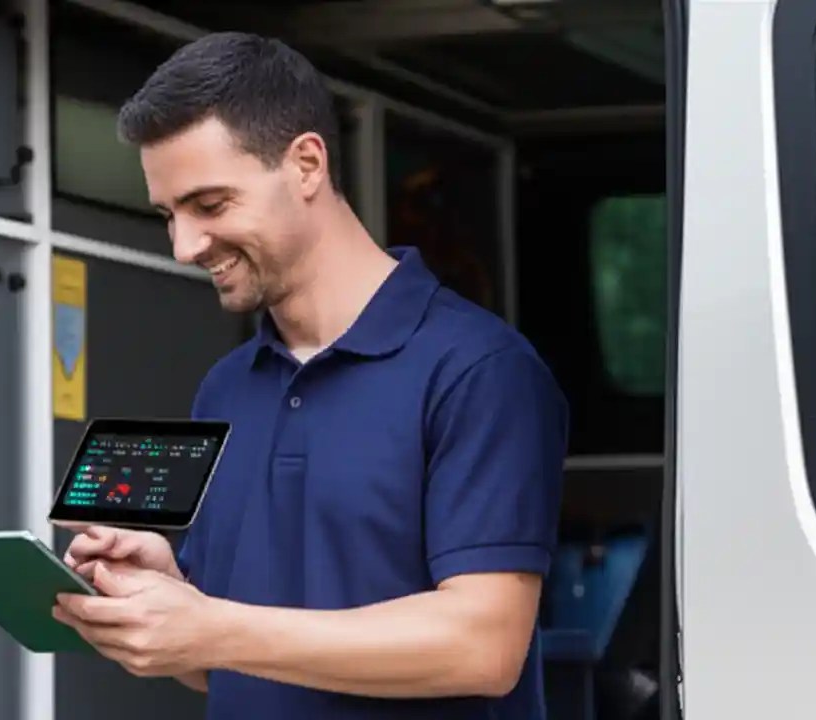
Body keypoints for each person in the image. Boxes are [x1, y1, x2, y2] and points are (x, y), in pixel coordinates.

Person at [51, 31, 568, 720]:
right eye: (169, 215)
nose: (184, 246)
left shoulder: (480, 372)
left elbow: (482, 647)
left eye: (209, 205)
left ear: (306, 165)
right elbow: (219, 668)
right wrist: (171, 599)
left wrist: (212, 625)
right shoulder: (226, 388)